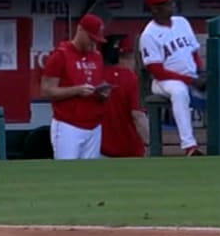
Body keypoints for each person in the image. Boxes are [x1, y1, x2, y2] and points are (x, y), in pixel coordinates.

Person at [138, 0, 207, 157]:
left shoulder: (182, 22)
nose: (172, 5)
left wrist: (201, 72)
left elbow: (194, 52)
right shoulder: (149, 35)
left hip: (191, 76)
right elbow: (158, 71)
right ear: (155, 9)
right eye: (167, 2)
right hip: (164, 82)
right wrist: (191, 81)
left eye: (171, 1)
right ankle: (189, 146)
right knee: (179, 91)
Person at [40, 14, 111, 160]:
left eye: (96, 40)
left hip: (94, 124)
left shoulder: (97, 56)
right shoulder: (61, 55)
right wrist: (76, 90)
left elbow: (96, 81)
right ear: (80, 30)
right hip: (68, 125)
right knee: (67, 172)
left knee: (89, 175)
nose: (93, 43)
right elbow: (46, 91)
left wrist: (103, 92)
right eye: (91, 38)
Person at [99, 36, 147, 158]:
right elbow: (137, 115)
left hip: (100, 149)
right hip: (129, 150)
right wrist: (151, 141)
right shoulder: (129, 77)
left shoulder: (97, 75)